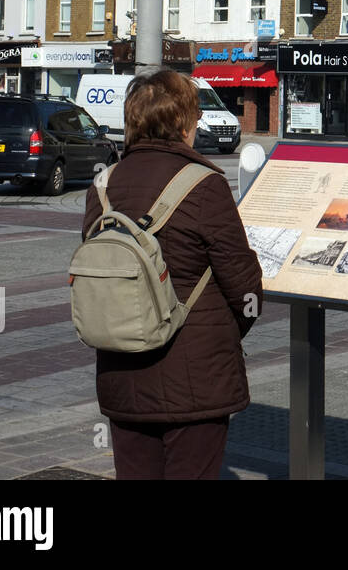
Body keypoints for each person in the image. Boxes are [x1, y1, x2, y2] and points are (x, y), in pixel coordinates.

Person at [81, 69, 262, 480]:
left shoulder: (104, 186)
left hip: (121, 368)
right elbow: (243, 285)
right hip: (196, 378)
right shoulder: (205, 185)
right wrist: (221, 335)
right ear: (183, 124)